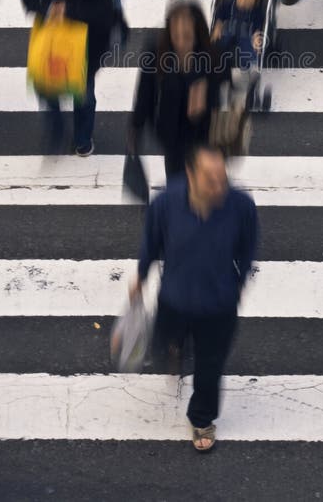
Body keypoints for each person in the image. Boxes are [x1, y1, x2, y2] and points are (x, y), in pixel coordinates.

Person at [130, 143, 258, 451]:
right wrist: (141, 275)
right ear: (190, 174)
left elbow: (248, 245)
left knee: (210, 367)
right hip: (175, 298)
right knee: (165, 341)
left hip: (218, 304)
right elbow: (152, 241)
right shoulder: (166, 203)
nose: (218, 186)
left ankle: (202, 418)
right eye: (210, 178)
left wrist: (239, 281)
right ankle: (174, 347)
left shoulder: (240, 206)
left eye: (222, 178)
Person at [21, 0, 117, 156]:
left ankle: (82, 139)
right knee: (44, 86)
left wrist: (69, 11)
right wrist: (47, 9)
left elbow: (104, 12)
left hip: (86, 46)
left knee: (82, 92)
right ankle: (56, 130)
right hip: (52, 42)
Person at [128, 0, 229, 179]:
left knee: (203, 182)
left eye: (187, 36)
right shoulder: (156, 52)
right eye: (176, 35)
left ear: (197, 33)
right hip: (170, 132)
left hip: (204, 132)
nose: (181, 42)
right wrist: (136, 127)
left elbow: (226, 91)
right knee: (176, 181)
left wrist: (204, 97)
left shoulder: (214, 56)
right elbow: (145, 92)